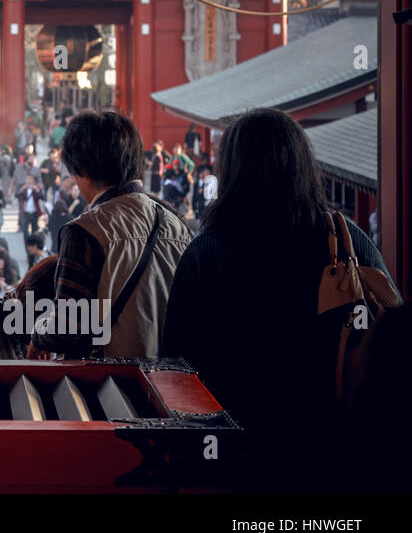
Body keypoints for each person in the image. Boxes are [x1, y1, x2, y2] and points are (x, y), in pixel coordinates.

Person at [161, 108, 398, 490]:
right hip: (328, 448)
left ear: (233, 171)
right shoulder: (344, 242)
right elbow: (392, 339)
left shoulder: (207, 253)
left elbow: (175, 366)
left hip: (233, 453)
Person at [30, 110, 190, 359]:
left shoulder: (85, 231)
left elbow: (68, 330)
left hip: (113, 387)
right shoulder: (177, 224)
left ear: (82, 169)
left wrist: (39, 330)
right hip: (175, 384)